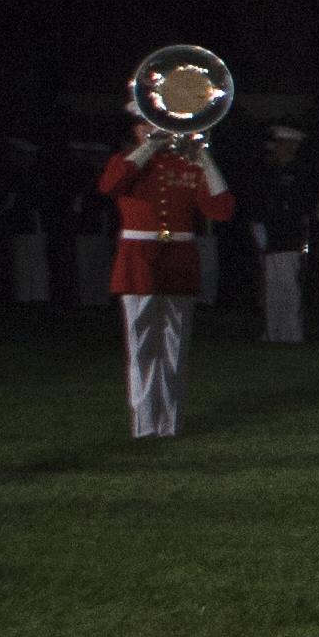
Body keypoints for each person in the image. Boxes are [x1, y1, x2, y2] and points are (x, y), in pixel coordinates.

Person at [97, 124, 232, 439]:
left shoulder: (187, 163)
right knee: (141, 343)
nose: (160, 130)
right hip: (139, 257)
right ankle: (144, 424)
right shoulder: (127, 160)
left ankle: (169, 424)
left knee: (175, 344)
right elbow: (109, 185)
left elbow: (221, 209)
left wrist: (204, 158)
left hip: (179, 257)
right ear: (138, 126)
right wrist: (147, 147)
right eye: (150, 124)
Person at [241, 121, 319, 344]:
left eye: (283, 144)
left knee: (288, 286)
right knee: (271, 287)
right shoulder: (268, 170)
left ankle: (291, 333)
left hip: (289, 236)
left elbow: (302, 206)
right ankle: (273, 331)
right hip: (271, 234)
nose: (278, 148)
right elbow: (259, 200)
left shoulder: (299, 172)